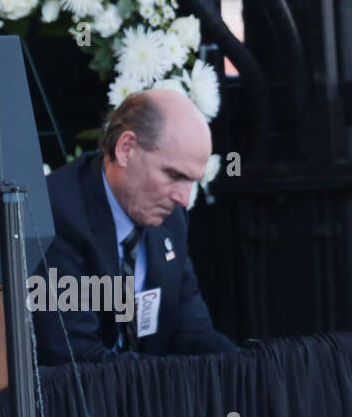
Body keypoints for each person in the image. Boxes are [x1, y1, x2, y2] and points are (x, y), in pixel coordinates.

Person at [33, 87, 237, 365]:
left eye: (192, 181)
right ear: (126, 149)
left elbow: (193, 332)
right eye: (174, 175)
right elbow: (74, 360)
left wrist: (251, 369)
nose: (184, 198)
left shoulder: (170, 219)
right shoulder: (57, 212)